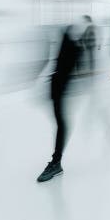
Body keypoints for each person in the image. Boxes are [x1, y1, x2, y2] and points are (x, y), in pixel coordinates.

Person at [37, 25, 80, 182]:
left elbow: (73, 67)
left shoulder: (72, 42)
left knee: (61, 123)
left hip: (62, 86)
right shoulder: (63, 36)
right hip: (57, 85)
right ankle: (56, 162)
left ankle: (56, 163)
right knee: (60, 122)